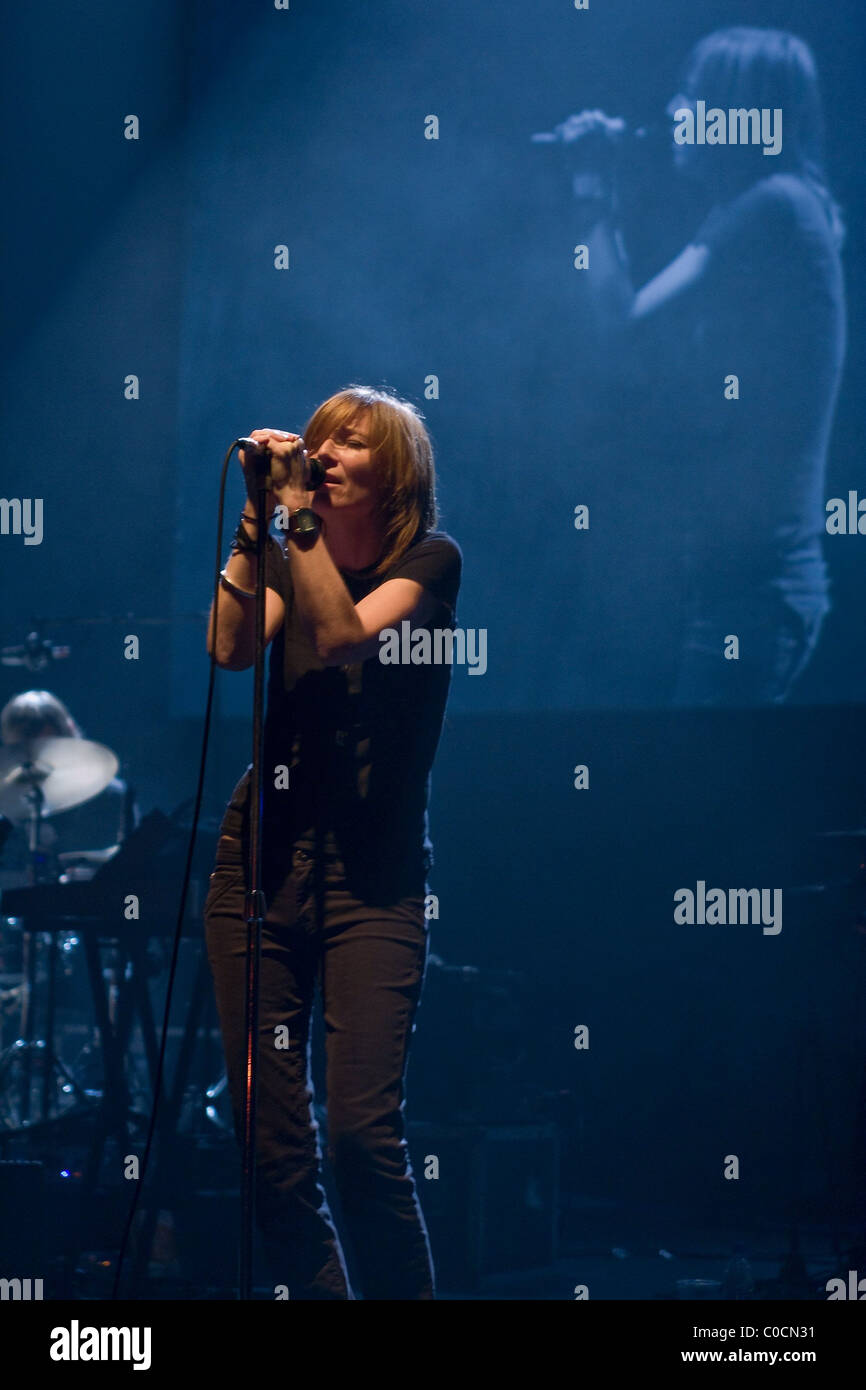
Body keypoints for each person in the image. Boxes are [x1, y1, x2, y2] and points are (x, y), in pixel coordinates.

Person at [204, 383, 462, 1299]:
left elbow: (344, 635)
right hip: (262, 864)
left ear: (394, 471)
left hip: (374, 879)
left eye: (350, 443)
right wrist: (252, 521)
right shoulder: (285, 551)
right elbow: (232, 649)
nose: (326, 455)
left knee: (359, 1137)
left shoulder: (430, 561)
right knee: (269, 1142)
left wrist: (295, 523)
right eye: (321, 441)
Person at [554, 27, 846, 705]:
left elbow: (618, 320)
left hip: (756, 594)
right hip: (749, 588)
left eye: (694, 96)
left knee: (696, 797)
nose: (674, 113)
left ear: (739, 111)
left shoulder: (773, 205)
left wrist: (593, 185)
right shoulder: (788, 207)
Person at [0, 690, 137, 884]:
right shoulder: (6, 802)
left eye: (45, 748)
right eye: (22, 750)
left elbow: (131, 868)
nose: (34, 758)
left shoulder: (111, 797)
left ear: (69, 732)